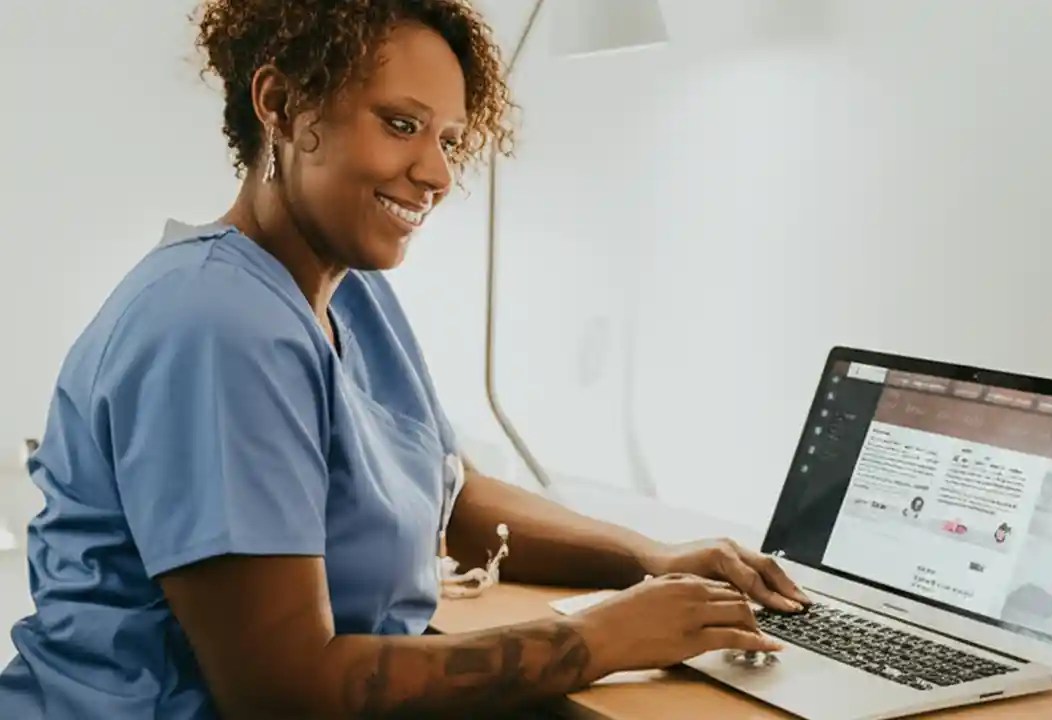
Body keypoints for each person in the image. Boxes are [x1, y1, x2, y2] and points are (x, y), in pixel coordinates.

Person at [0, 1, 809, 718]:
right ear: (281, 106)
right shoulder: (215, 323)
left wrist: (648, 559)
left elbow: (448, 498)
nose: (437, 173)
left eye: (450, 139)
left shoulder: (350, 293)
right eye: (399, 124)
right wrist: (595, 640)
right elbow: (282, 691)